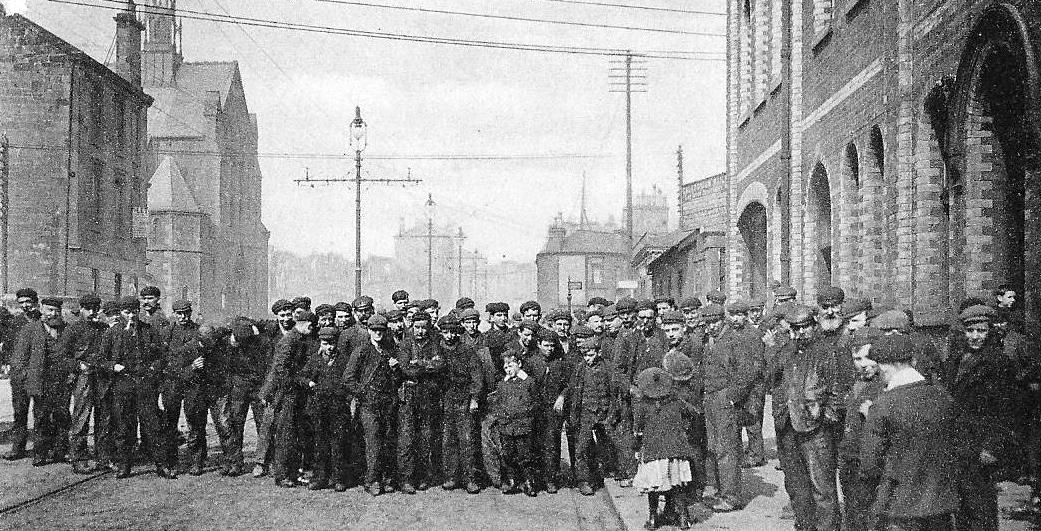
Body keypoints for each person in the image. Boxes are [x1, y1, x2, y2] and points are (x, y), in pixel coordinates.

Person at [860, 333, 959, 531]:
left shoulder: (883, 405)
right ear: (912, 362)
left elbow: (870, 463)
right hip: (941, 503)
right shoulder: (943, 397)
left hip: (899, 506)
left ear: (885, 366)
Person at [943, 304, 1021, 531]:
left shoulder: (999, 363)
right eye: (970, 331)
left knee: (981, 506)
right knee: (961, 506)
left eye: (981, 331)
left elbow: (1007, 411)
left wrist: (993, 447)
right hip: (958, 442)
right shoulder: (956, 360)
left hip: (981, 445)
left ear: (990, 331)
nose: (975, 336)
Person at [769, 304, 842, 531]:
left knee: (821, 487)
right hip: (787, 425)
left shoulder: (826, 351)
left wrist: (825, 419)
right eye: (795, 328)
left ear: (814, 325)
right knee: (796, 484)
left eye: (805, 327)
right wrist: (776, 349)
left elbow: (837, 392)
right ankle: (805, 525)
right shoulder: (787, 350)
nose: (800, 332)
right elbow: (771, 378)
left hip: (815, 429)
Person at [100, 296, 172, 479]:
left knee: (153, 426)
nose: (131, 316)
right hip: (122, 385)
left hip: (145, 384)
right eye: (127, 312)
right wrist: (113, 366)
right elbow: (101, 359)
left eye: (134, 312)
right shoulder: (112, 333)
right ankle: (124, 465)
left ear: (138, 311)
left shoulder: (149, 331)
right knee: (124, 427)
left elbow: (162, 356)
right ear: (120, 313)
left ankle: (161, 465)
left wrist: (153, 368)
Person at [344, 314, 401, 496]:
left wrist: (396, 369)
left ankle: (387, 478)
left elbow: (398, 379)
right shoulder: (361, 350)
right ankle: (372, 480)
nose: (378, 333)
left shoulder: (391, 350)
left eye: (381, 330)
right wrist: (363, 393)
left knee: (388, 440)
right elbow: (348, 379)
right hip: (369, 405)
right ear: (368, 330)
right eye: (374, 330)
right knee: (373, 442)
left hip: (387, 403)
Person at [633, 367, 696, 530]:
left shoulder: (642, 405)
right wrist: (683, 428)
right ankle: (683, 518)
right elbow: (692, 413)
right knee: (677, 485)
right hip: (676, 450)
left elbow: (637, 428)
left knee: (653, 487)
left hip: (653, 452)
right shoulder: (676, 401)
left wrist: (637, 447)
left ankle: (653, 518)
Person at [838, 327, 887, 531]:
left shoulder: (885, 385)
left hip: (869, 459)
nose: (864, 364)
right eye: (858, 359)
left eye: (869, 357)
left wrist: (872, 414)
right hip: (849, 454)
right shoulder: (853, 382)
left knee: (870, 510)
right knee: (852, 507)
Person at [261, 310, 315, 487]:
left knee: (295, 435)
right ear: (304, 324)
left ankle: (292, 473)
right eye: (311, 326)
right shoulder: (289, 341)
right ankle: (282, 475)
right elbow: (280, 370)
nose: (312, 329)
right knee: (286, 435)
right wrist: (302, 382)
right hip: (286, 394)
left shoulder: (299, 338)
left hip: (295, 393)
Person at [297, 326, 350, 491]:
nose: (330, 347)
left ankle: (338, 478)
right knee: (320, 442)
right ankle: (320, 477)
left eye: (332, 343)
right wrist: (309, 383)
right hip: (319, 407)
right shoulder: (314, 359)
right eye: (326, 343)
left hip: (338, 407)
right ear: (320, 343)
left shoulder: (344, 360)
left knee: (338, 442)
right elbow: (301, 376)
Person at [566, 325, 618, 496]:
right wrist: (574, 416)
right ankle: (584, 480)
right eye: (585, 355)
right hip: (586, 414)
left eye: (591, 355)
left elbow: (613, 392)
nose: (588, 358)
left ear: (598, 352)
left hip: (604, 412)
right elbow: (575, 394)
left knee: (607, 444)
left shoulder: (607, 368)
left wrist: (611, 412)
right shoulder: (580, 369)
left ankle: (603, 473)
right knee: (582, 447)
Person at [397, 311, 444, 493]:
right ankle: (406, 479)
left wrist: (418, 363)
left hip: (428, 396)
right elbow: (405, 369)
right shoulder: (405, 344)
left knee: (425, 437)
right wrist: (427, 365)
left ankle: (423, 476)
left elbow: (440, 365)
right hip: (409, 395)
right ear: (412, 326)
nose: (420, 331)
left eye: (424, 327)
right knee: (407, 438)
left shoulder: (434, 344)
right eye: (417, 327)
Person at [19, 296, 69, 466]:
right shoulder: (30, 329)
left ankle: (60, 451)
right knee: (41, 418)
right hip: (41, 382)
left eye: (56, 311)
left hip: (61, 381)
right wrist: (28, 378)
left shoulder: (66, 329)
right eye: (49, 310)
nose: (53, 314)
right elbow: (21, 358)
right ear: (41, 309)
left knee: (62, 416)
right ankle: (40, 453)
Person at [437, 314, 482, 494]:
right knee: (448, 439)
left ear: (457, 332)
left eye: (452, 332)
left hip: (464, 398)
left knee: (467, 439)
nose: (449, 336)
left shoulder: (467, 350)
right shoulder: (437, 350)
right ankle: (451, 477)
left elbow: (477, 376)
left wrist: (474, 398)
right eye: (445, 332)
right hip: (446, 398)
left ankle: (469, 478)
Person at [61, 294, 106, 474]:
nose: (92, 312)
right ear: (81, 309)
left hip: (102, 377)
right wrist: (78, 365)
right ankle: (79, 457)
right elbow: (62, 356)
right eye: (88, 309)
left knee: (104, 417)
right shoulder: (73, 329)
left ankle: (104, 457)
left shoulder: (103, 328)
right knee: (81, 417)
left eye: (95, 308)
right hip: (83, 377)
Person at [222, 318, 271, 477]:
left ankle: (263, 462)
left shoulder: (262, 341)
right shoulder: (228, 342)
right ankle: (235, 462)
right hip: (238, 386)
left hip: (258, 385)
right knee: (235, 424)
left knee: (263, 424)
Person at [159, 299, 201, 473]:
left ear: (190, 313)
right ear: (174, 314)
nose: (183, 317)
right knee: (170, 422)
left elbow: (203, 357)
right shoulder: (166, 333)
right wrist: (190, 367)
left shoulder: (199, 331)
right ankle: (171, 462)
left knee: (195, 420)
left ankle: (196, 461)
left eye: (186, 313)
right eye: (179, 314)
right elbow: (165, 361)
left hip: (193, 384)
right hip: (172, 382)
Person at [490, 351, 539, 497]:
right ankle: (512, 481)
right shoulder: (502, 384)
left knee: (526, 455)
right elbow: (498, 404)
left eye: (511, 366)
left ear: (519, 364)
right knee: (508, 455)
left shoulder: (529, 382)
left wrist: (527, 417)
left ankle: (529, 482)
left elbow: (535, 402)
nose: (508, 370)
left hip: (524, 425)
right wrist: (502, 419)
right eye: (505, 368)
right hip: (507, 426)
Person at [3, 287, 42, 461]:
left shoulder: (43, 320)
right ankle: (18, 448)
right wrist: (10, 365)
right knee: (19, 412)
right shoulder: (15, 322)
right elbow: (8, 346)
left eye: (28, 302)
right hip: (19, 374)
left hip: (39, 373)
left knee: (41, 412)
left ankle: (41, 449)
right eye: (22, 303)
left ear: (36, 302)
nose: (25, 305)